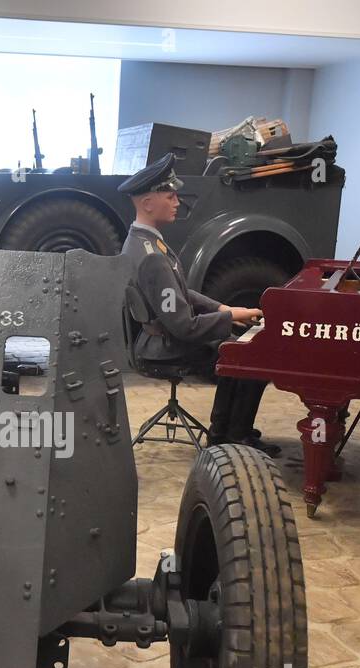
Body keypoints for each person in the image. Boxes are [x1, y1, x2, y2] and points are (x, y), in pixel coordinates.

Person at [118, 153, 280, 455]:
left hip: (161, 336)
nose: (178, 201)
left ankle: (226, 432)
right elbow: (183, 325)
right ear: (148, 203)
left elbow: (182, 293)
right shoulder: (152, 255)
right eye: (170, 195)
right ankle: (233, 436)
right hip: (164, 345)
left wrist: (222, 309)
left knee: (240, 348)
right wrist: (228, 318)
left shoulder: (144, 242)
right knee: (250, 357)